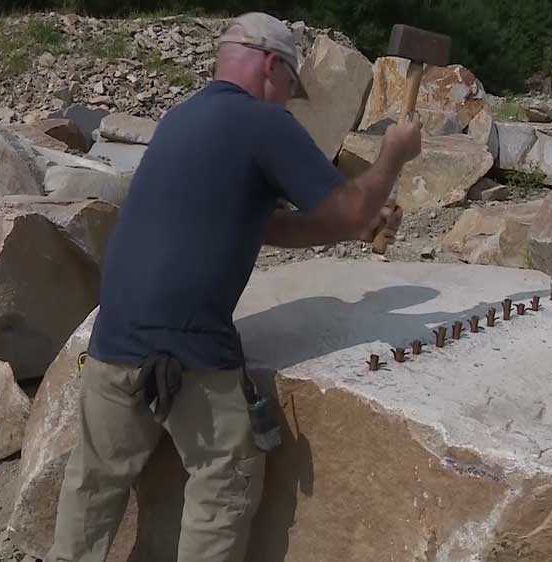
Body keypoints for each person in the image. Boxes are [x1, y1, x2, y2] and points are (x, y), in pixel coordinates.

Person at [47, 11, 422, 562]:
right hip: (189, 349)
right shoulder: (262, 124)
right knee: (225, 482)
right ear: (272, 66)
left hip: (113, 341)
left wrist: (358, 219)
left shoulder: (181, 120)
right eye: (291, 90)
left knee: (94, 482)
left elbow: (266, 226)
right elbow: (343, 211)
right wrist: (390, 160)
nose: (288, 103)